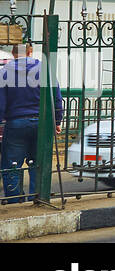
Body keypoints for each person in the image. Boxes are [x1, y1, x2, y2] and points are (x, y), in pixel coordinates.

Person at [0, 43, 64, 204]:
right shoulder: (44, 69)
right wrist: (57, 121)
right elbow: (56, 97)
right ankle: (37, 198)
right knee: (38, 163)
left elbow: (0, 103)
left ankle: (14, 201)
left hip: (16, 123)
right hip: (41, 123)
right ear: (30, 52)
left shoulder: (5, 72)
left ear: (13, 54)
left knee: (11, 165)